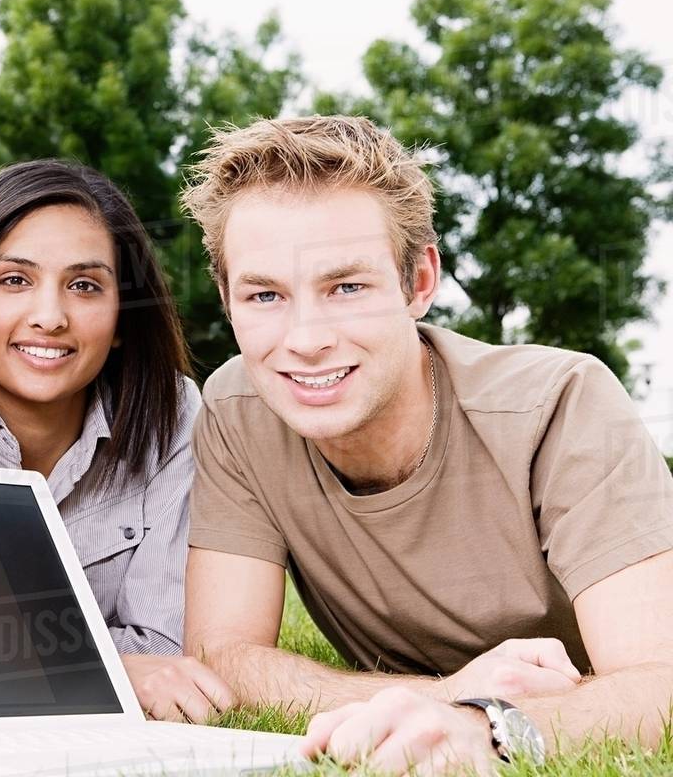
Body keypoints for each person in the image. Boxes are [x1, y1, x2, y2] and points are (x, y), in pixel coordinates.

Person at [174, 115, 673, 773]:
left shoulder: (561, 403)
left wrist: (485, 731)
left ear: (420, 282)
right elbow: (223, 657)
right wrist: (449, 699)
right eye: (265, 294)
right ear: (226, 298)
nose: (305, 338)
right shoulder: (239, 408)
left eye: (346, 287)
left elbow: (659, 684)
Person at [0, 159, 234, 722]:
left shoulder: (173, 416)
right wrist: (111, 665)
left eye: (84, 286)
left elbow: (167, 642)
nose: (50, 317)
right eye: (14, 280)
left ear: (120, 321)